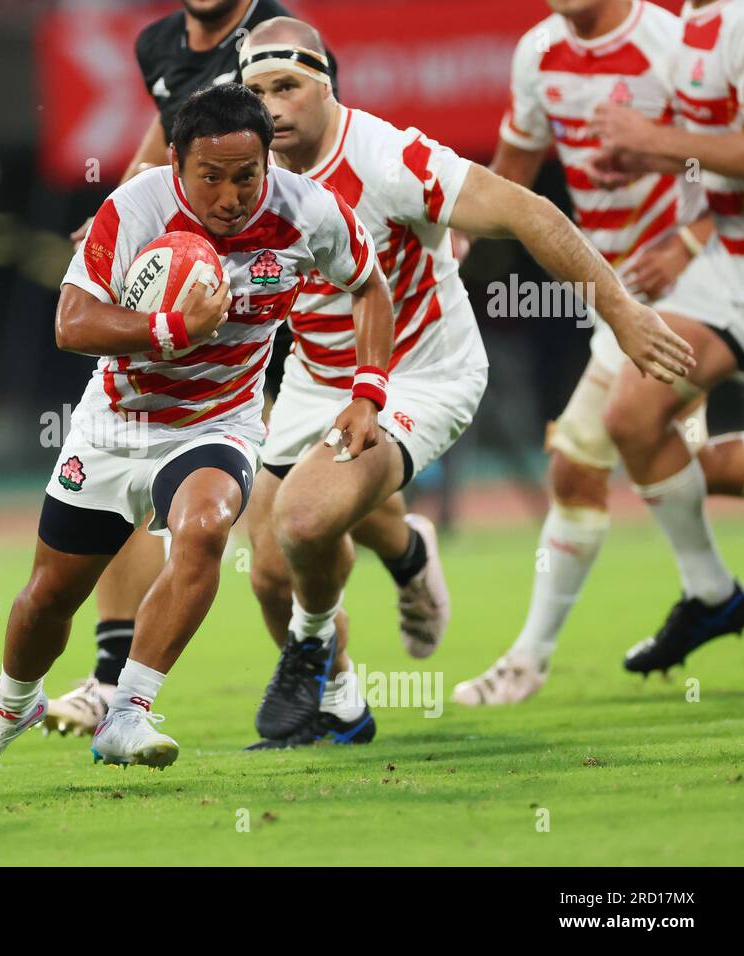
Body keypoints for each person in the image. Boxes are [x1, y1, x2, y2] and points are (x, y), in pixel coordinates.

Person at [237, 16, 695, 743]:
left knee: (303, 520)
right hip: (316, 378)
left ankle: (310, 647)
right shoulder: (246, 172)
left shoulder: (391, 158)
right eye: (256, 92)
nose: (272, 108)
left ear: (325, 86)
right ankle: (346, 697)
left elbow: (528, 209)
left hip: (421, 373)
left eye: (287, 86)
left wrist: (620, 309)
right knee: (265, 573)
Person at [0, 83, 392, 787]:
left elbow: (368, 282)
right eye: (211, 176)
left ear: (269, 163)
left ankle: (128, 712)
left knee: (206, 528)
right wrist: (169, 329)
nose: (231, 196)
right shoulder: (136, 207)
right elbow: (71, 324)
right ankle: (8, 709)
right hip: (116, 422)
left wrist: (368, 391)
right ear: (176, 162)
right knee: (50, 596)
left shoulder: (306, 212)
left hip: (220, 421)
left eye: (247, 176)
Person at [48, 0, 341, 737]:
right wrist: (125, 201)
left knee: (309, 512)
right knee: (155, 491)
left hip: (280, 296)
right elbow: (163, 135)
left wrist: (289, 212)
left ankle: (397, 570)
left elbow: (313, 124)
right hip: (193, 299)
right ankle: (113, 678)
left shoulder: (275, 29)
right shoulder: (158, 45)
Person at [452, 0, 737, 705]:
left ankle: (704, 594)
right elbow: (514, 168)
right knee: (590, 461)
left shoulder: (673, 43)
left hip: (696, 274)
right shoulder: (538, 54)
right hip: (621, 296)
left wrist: (688, 236)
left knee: (620, 433)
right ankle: (538, 657)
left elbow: (711, 158)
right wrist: (453, 237)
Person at [590, 0, 744, 673]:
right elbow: (710, 156)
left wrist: (654, 142)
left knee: (704, 457)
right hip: (729, 262)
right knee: (633, 414)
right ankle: (711, 592)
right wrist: (649, 161)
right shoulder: (692, 22)